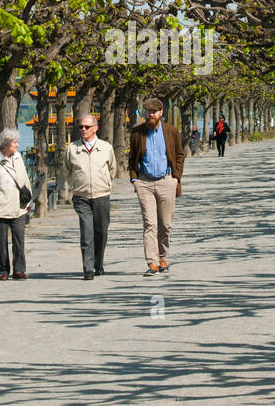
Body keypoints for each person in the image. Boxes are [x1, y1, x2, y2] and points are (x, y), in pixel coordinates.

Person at [128, 97, 185, 276]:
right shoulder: (137, 132)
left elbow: (179, 155)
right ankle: (152, 263)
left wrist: (176, 178)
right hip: (144, 182)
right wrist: (134, 180)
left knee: (165, 224)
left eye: (154, 111)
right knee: (150, 224)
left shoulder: (171, 131)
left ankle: (162, 256)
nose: (151, 114)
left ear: (161, 113)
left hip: (166, 180)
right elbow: (132, 158)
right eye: (148, 111)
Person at [64, 113, 116, 280]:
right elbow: (66, 171)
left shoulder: (106, 147)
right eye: (81, 127)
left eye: (87, 127)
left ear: (95, 128)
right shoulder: (72, 148)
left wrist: (106, 183)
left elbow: (112, 168)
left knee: (101, 231)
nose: (83, 130)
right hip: (81, 196)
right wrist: (73, 186)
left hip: (101, 195)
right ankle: (88, 269)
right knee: (87, 232)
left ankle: (98, 263)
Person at [0, 128, 33, 280]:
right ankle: (3, 271)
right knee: (1, 241)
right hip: (0, 207)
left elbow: (25, 180)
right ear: (5, 144)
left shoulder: (18, 157)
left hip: (19, 206)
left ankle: (19, 269)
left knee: (19, 240)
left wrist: (29, 200)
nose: (17, 145)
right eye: (15, 142)